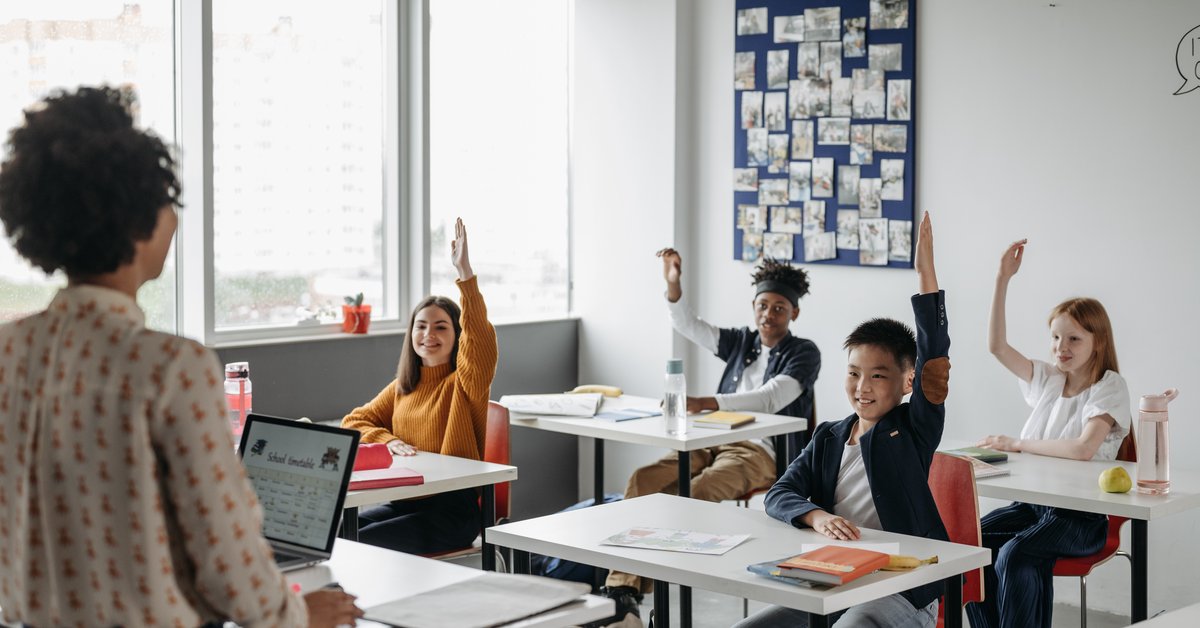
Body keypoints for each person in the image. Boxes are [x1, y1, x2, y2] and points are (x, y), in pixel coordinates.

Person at [0, 86, 361, 627]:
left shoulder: (9, 352)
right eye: (169, 201)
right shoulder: (170, 368)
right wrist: (297, 615)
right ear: (138, 221)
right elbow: (225, 547)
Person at [736, 213, 948, 628]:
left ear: (908, 381)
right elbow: (779, 494)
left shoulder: (913, 430)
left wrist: (925, 274)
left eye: (878, 375)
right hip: (834, 577)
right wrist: (818, 516)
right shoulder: (829, 437)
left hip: (901, 587)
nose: (862, 386)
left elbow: (934, 356)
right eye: (853, 373)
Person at [598, 251, 821, 627]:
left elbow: (770, 397)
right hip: (712, 438)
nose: (769, 314)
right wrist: (673, 283)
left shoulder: (804, 353)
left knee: (695, 494)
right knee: (645, 479)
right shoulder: (741, 343)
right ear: (754, 307)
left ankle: (644, 598)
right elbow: (688, 324)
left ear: (793, 313)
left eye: (779, 308)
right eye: (763, 305)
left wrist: (705, 402)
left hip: (760, 451)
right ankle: (624, 596)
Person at [965, 239, 1130, 628]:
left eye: (1074, 339)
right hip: (1032, 506)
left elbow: (1084, 448)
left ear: (1098, 342)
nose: (1061, 347)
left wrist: (1016, 444)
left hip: (1081, 518)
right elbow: (996, 346)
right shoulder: (1049, 380)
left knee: (1017, 555)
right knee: (969, 544)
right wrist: (1002, 278)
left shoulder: (1109, 387)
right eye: (1056, 337)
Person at [341, 218, 498, 555]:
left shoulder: (466, 383)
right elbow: (353, 422)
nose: (429, 335)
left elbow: (481, 342)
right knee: (335, 532)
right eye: (421, 326)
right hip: (407, 502)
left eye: (441, 327)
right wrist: (388, 440)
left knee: (359, 546)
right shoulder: (403, 387)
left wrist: (466, 276)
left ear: (457, 336)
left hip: (452, 513)